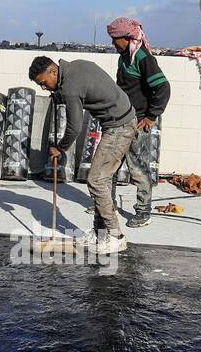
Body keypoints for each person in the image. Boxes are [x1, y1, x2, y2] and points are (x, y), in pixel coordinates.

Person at [29, 55, 146, 253]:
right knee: (103, 180)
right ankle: (100, 232)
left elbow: (74, 127)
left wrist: (60, 147)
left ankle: (116, 236)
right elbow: (88, 88)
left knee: (96, 180)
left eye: (43, 83)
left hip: (119, 127)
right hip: (121, 120)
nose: (43, 88)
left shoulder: (70, 87)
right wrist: (58, 94)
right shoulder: (76, 67)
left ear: (53, 72)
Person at [105, 17, 169, 228]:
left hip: (138, 123)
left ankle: (143, 211)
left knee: (138, 169)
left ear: (127, 37)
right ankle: (107, 204)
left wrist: (151, 116)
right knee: (111, 166)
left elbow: (163, 88)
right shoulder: (125, 58)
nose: (113, 44)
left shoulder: (143, 58)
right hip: (121, 121)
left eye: (116, 40)